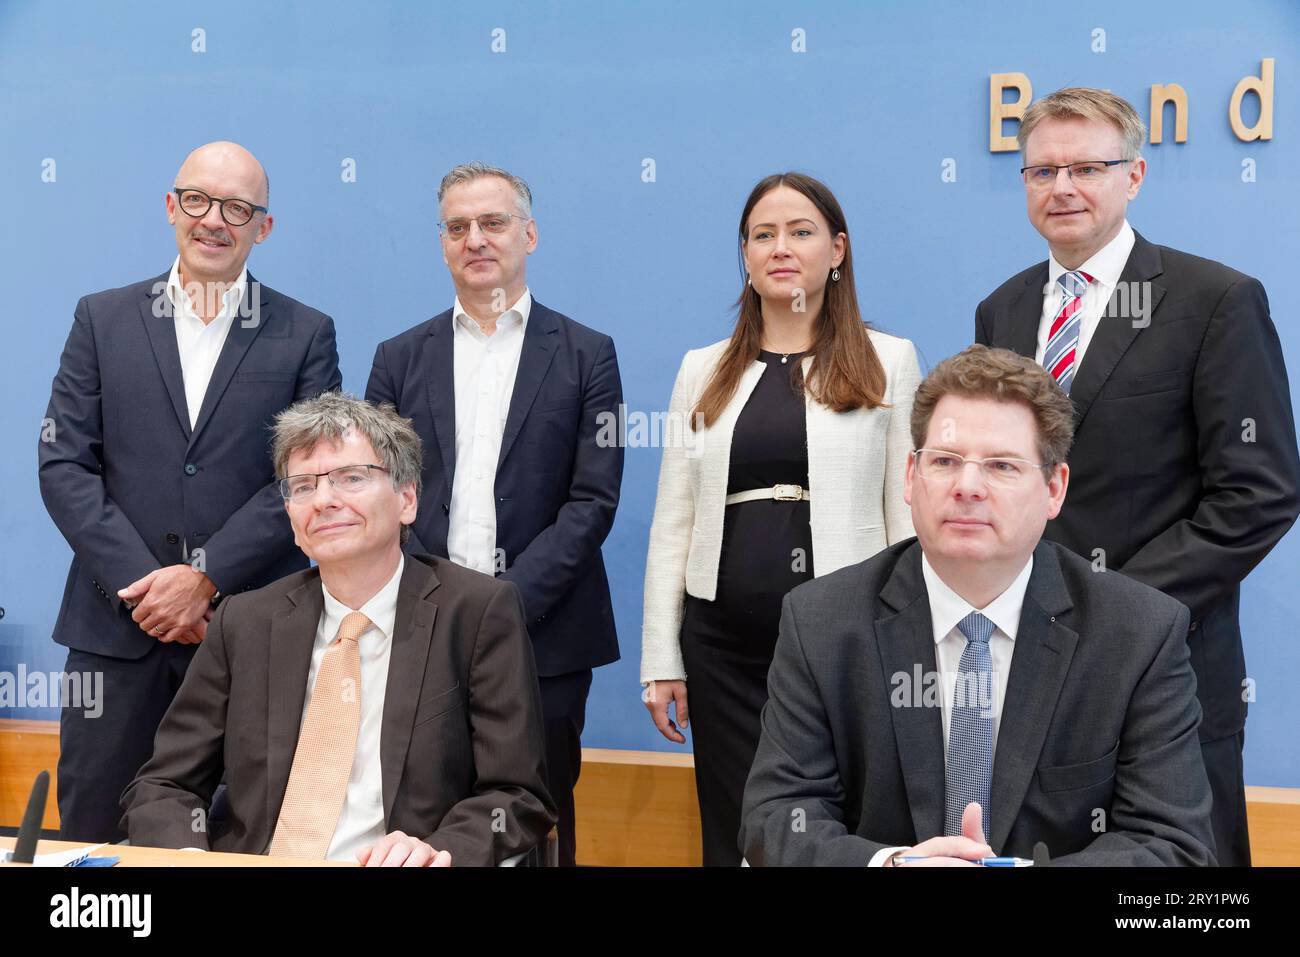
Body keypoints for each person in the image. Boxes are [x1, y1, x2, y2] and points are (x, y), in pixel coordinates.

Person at [975, 87, 1300, 866]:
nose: (1063, 187)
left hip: (1169, 655)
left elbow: (1259, 491)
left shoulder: (1214, 299)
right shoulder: (1002, 310)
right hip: (1030, 660)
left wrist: (1118, 608)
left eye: (1087, 167)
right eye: (1043, 170)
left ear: (1136, 176)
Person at [741, 345, 1216, 867]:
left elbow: (1174, 846)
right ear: (909, 477)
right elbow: (777, 816)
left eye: (1001, 466)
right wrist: (893, 866)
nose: (968, 487)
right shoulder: (822, 623)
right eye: (944, 461)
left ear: (1054, 489)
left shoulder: (1137, 633)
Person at [39, 141, 342, 843]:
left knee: (242, 836)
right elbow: (64, 463)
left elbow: (303, 478)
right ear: (172, 208)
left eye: (238, 207)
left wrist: (203, 581)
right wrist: (148, 585)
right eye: (200, 200)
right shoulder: (101, 318)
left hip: (244, 633)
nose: (215, 220)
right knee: (93, 834)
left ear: (262, 226)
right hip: (116, 635)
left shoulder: (305, 333)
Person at [121, 393, 555, 865]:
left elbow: (517, 795)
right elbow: (164, 784)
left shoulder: (475, 613)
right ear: (290, 515)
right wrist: (190, 857)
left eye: (351, 478)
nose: (324, 500)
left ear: (407, 499)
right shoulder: (244, 621)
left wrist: (437, 851)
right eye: (303, 486)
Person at [641, 172, 921, 865]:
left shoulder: (889, 361)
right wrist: (660, 657)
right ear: (745, 254)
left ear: (838, 250)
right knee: (736, 825)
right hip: (722, 645)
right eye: (762, 235)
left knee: (840, 819)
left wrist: (909, 640)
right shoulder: (701, 369)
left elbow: (907, 515)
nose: (781, 247)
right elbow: (672, 517)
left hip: (846, 640)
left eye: (800, 231)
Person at [365, 162, 623, 866]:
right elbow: (381, 494)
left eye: (494, 222)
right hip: (422, 628)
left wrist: (503, 602)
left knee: (537, 820)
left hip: (548, 637)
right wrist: (448, 600)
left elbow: (592, 500)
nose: (475, 238)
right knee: (423, 817)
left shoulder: (586, 354)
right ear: (443, 243)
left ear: (529, 234)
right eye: (458, 227)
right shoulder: (397, 358)